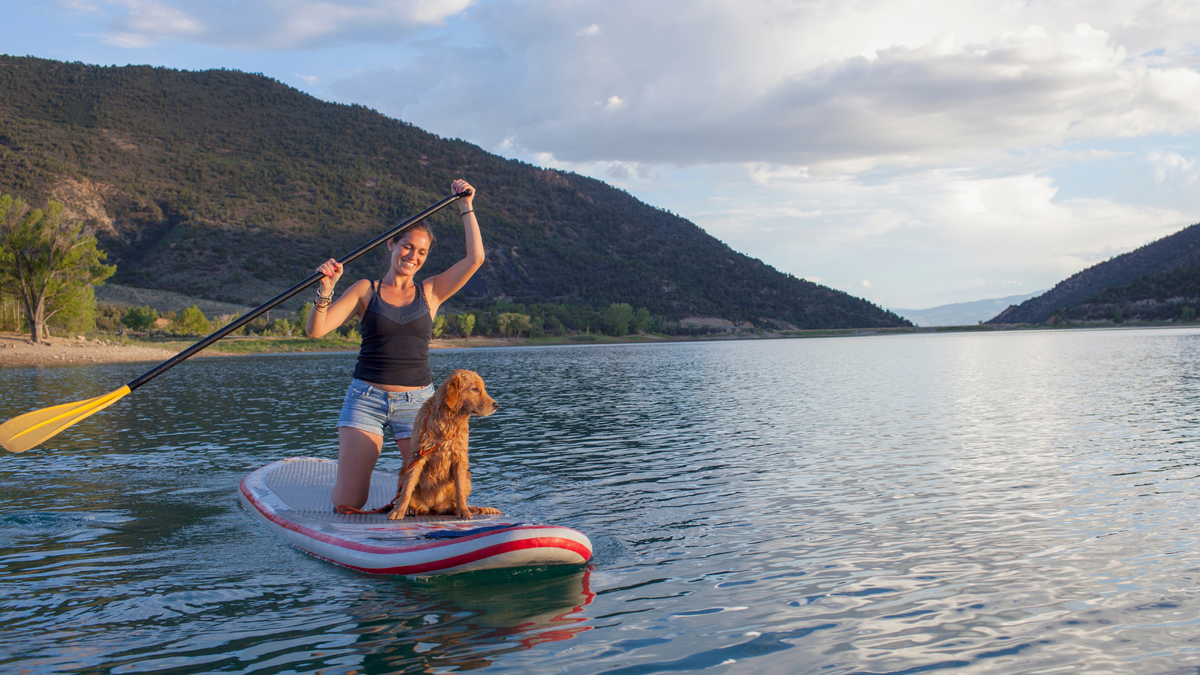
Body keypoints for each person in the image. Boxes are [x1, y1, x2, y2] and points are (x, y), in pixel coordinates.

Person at [306, 178, 482, 509]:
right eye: (407, 247)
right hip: (365, 400)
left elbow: (475, 259)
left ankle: (407, 500)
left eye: (422, 252)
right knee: (348, 503)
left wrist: (465, 205)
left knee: (435, 495)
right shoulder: (365, 290)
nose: (413, 256)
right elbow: (317, 330)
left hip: (419, 405)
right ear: (391, 244)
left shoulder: (431, 291)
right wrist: (325, 290)